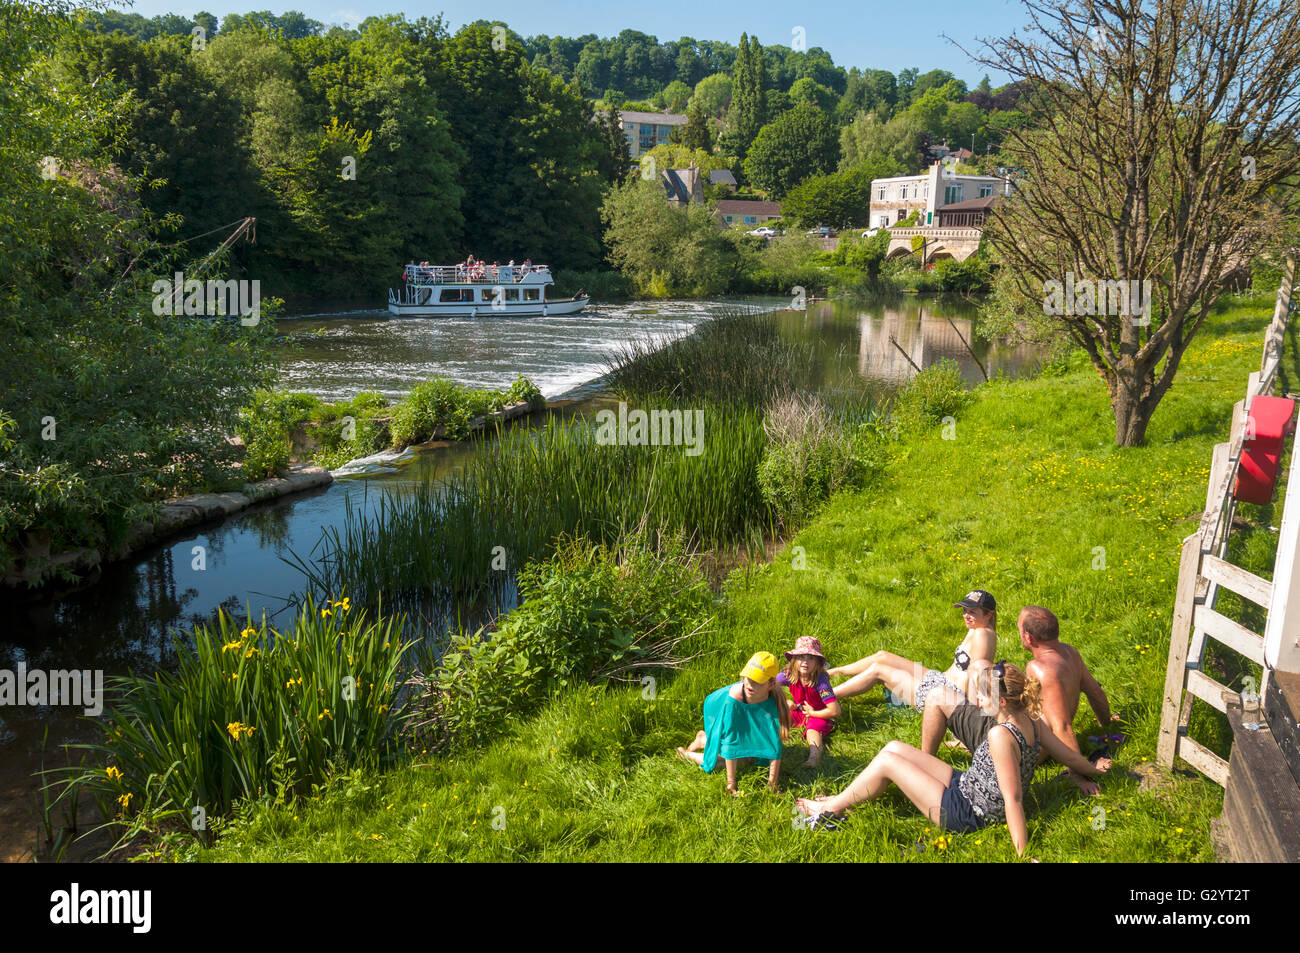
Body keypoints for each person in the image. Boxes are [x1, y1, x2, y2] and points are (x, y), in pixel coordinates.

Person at [795, 662, 1110, 854]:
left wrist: (1023, 854)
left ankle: (828, 809)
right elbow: (1068, 755)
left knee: (888, 763)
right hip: (968, 786)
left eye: (981, 695)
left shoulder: (1001, 736)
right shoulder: (1031, 719)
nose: (975, 700)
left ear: (999, 700)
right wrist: (1092, 770)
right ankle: (840, 799)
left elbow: (1013, 800)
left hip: (969, 814)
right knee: (893, 748)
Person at [922, 605, 1114, 794]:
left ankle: (924, 764)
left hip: (1016, 747)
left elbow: (1062, 726)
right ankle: (966, 739)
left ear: (1028, 636)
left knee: (938, 696)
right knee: (979, 666)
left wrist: (1078, 776)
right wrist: (1107, 724)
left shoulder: (1041, 669)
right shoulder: (1069, 653)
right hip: (1032, 737)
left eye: (1020, 629)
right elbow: (1094, 692)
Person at [827, 589, 998, 714]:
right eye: (965, 611)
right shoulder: (977, 627)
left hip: (947, 696)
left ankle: (824, 698)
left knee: (878, 671)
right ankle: (833, 673)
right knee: (882, 656)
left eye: (972, 612)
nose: (966, 616)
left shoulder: (983, 635)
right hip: (941, 680)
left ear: (989, 614)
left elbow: (979, 677)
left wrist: (972, 718)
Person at [677, 652, 791, 796]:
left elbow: (774, 745)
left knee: (750, 758)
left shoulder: (775, 702)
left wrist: (772, 784)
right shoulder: (736, 695)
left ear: (771, 684)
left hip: (754, 710)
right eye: (748, 678)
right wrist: (731, 784)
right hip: (726, 707)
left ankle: (703, 740)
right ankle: (686, 754)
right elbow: (732, 741)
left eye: (758, 680)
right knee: (720, 763)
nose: (750, 684)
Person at [776, 637, 840, 768]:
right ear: (794, 660)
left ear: (817, 663)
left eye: (811, 658)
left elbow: (835, 711)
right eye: (801, 657)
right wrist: (783, 700)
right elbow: (768, 685)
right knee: (778, 717)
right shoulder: (789, 674)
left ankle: (814, 758)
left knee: (812, 730)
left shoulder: (820, 681)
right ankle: (762, 749)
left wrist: (813, 713)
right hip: (800, 711)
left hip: (821, 714)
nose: (805, 662)